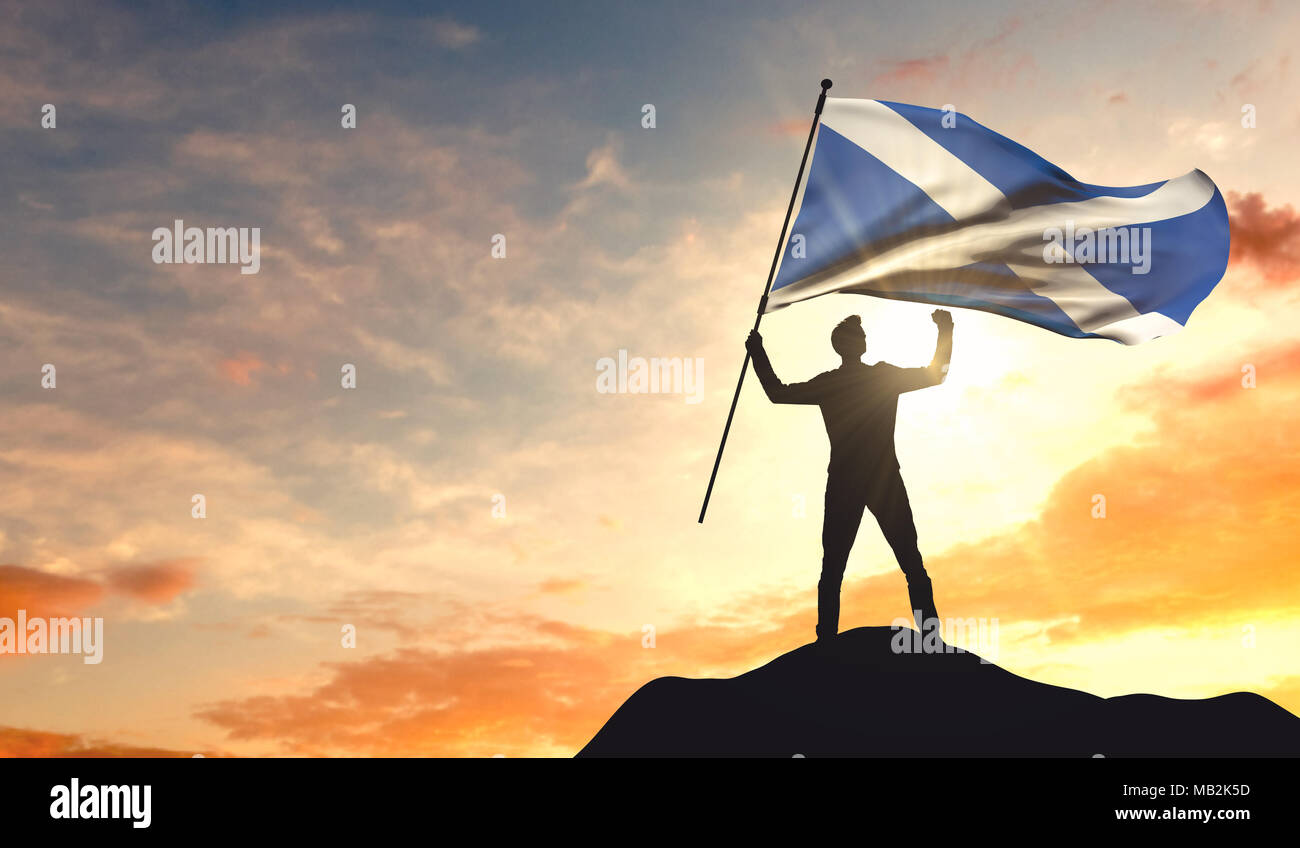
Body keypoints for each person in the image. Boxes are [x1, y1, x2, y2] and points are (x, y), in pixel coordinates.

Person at [745, 309, 953, 641]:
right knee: (893, 562)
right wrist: (946, 329)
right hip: (872, 478)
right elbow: (936, 374)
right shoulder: (873, 378)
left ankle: (831, 639)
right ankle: (925, 639)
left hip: (859, 479)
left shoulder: (839, 382)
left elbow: (777, 392)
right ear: (850, 346)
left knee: (854, 566)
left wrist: (758, 352)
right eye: (859, 336)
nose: (863, 340)